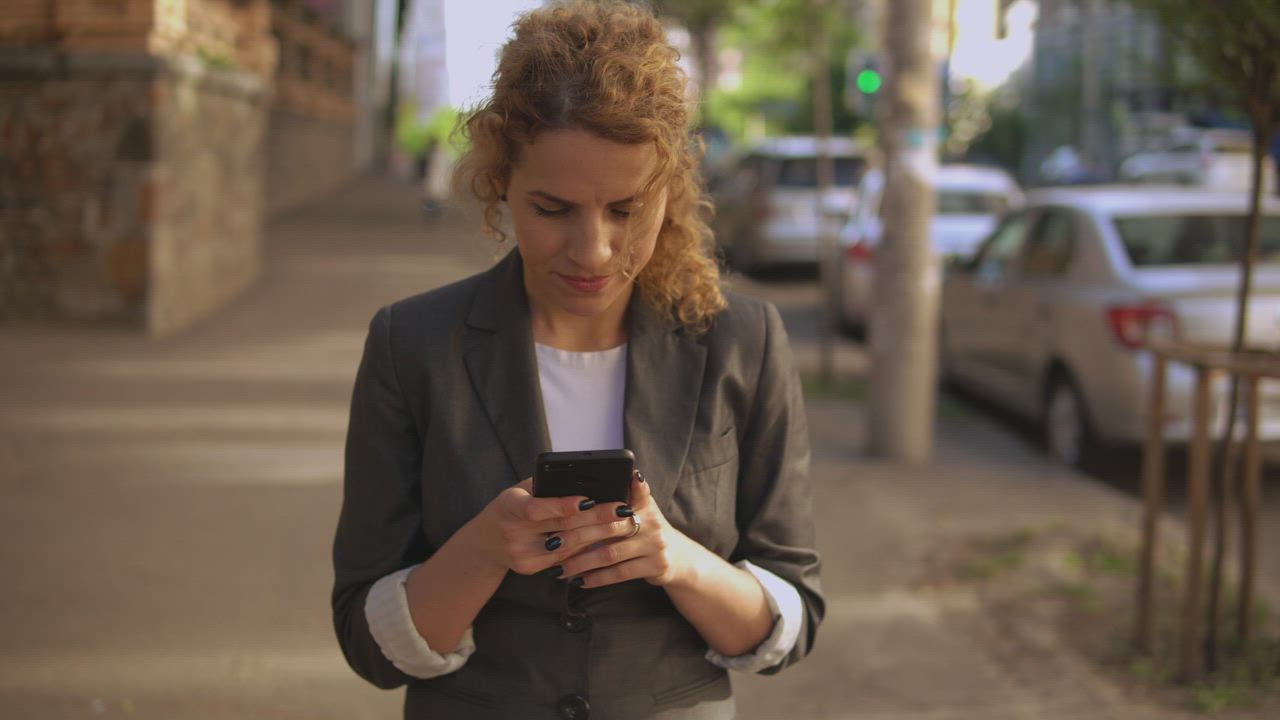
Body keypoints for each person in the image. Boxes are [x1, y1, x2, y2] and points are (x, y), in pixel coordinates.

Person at [331, 3, 823, 718]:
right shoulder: (413, 345)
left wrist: (676, 559)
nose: (593, 251)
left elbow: (793, 616)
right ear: (501, 182)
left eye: (626, 209)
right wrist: (484, 548)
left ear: (670, 190)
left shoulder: (742, 343)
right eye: (553, 209)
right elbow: (366, 643)